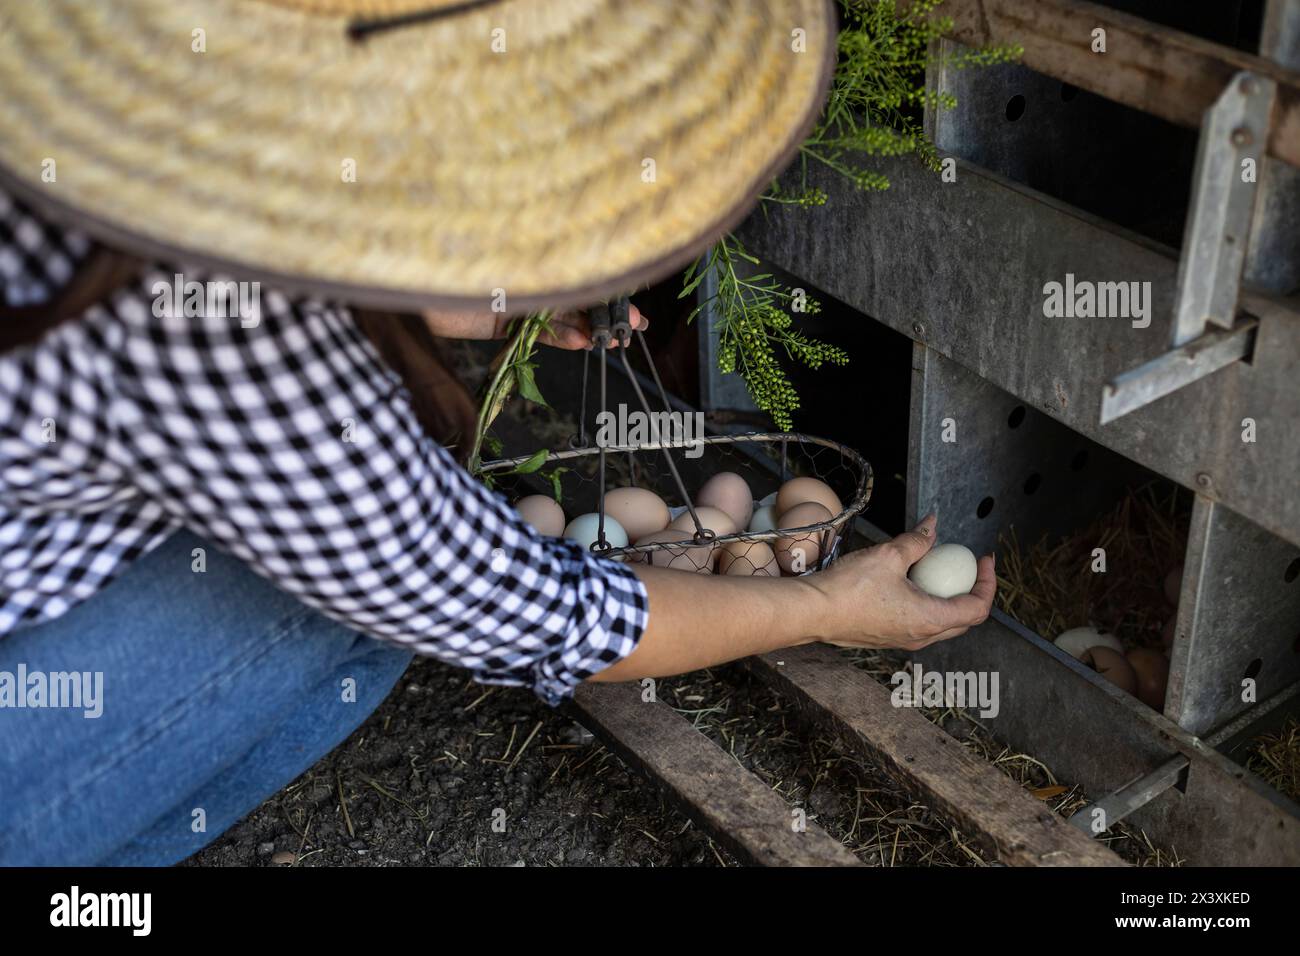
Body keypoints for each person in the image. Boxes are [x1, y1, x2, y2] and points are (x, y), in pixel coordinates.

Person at [0, 0, 993, 865]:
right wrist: (819, 602)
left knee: (373, 584)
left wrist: (487, 284)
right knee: (341, 605)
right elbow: (533, 608)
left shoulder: (123, 149)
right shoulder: (240, 340)